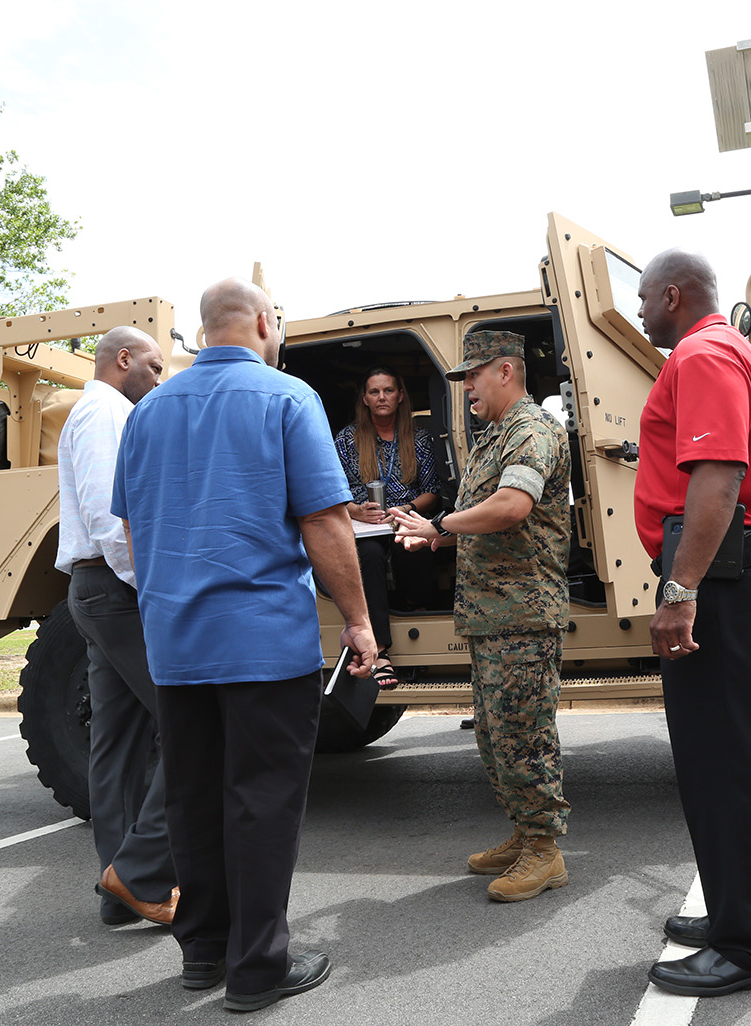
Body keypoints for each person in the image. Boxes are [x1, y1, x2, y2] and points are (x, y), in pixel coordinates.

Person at [110, 278, 379, 1013]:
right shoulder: (287, 398)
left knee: (193, 795)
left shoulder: (148, 411)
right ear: (263, 322)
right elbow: (325, 524)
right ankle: (259, 964)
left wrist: (170, 601)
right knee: (260, 800)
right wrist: (357, 619)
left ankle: (203, 950)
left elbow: (133, 531)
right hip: (263, 641)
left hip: (176, 641)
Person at [632, 249, 751, 997]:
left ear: (673, 294)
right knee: (732, 762)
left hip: (722, 576)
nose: (637, 312)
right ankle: (739, 909)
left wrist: (680, 586)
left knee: (721, 764)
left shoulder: (701, 354)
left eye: (642, 298)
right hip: (733, 572)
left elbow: (718, 476)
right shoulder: (729, 350)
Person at [391, 330, 572, 902]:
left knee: (524, 735)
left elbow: (513, 507)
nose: (466, 385)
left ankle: (545, 851)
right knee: (495, 736)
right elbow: (480, 516)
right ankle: (524, 833)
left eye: (473, 374)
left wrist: (441, 525)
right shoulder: (496, 437)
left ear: (506, 371)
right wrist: (436, 537)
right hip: (492, 615)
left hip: (522, 612)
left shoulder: (532, 430)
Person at [54, 325, 176, 927]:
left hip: (98, 590)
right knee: (191, 724)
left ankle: (120, 889)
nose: (160, 378)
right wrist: (156, 589)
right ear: (122, 359)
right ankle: (140, 873)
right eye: (154, 367)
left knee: (118, 743)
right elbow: (112, 520)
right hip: (119, 588)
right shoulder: (105, 412)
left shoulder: (98, 411)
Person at [334, 367, 441, 684]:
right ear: (365, 399)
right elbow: (333, 492)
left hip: (405, 519)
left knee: (414, 547)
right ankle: (379, 650)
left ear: (400, 396)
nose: (382, 397)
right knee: (368, 555)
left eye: (388, 390)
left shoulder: (418, 437)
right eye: (374, 392)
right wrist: (356, 510)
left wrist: (406, 509)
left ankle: (416, 612)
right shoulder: (346, 440)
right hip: (363, 525)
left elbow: (433, 491)